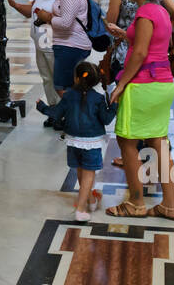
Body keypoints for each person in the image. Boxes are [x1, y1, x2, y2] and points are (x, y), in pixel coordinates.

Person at [105, 0, 174, 220]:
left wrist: (120, 84)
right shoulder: (161, 11)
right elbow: (157, 43)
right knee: (159, 142)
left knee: (127, 142)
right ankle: (169, 205)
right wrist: (126, 34)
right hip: (162, 83)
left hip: (142, 84)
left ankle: (136, 202)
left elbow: (139, 53)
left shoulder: (145, 12)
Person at [37, 62, 116, 220]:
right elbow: (106, 119)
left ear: (76, 78)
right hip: (92, 142)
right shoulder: (98, 98)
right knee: (89, 174)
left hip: (73, 140)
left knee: (80, 170)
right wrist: (114, 105)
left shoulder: (68, 95)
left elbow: (56, 113)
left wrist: (42, 107)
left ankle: (90, 200)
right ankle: (80, 209)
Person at [34, 0, 93, 99]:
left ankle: (78, 113)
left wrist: (47, 17)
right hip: (68, 45)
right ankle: (77, 114)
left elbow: (66, 23)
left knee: (62, 86)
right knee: (68, 85)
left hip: (70, 45)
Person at [6, 0, 60, 114]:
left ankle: (63, 112)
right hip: (39, 43)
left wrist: (47, 17)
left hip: (53, 43)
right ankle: (53, 110)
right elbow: (32, 10)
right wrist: (15, 5)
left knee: (58, 80)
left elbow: (65, 20)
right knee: (47, 79)